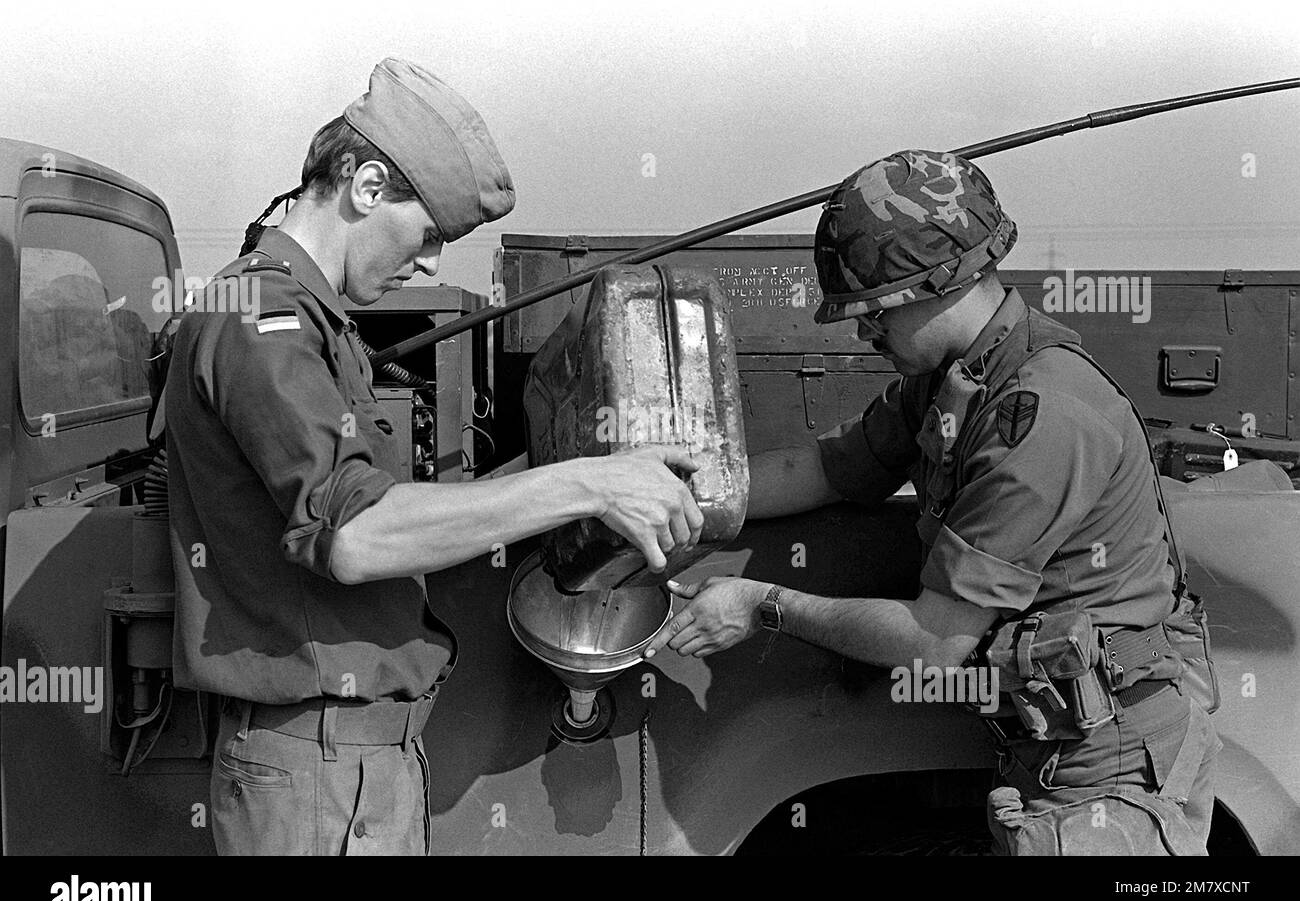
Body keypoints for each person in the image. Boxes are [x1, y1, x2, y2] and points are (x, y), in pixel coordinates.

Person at [164, 58, 703, 855]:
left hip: (355, 762)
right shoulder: (260, 317)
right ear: (367, 186)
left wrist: (594, 468)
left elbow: (388, 511)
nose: (427, 264)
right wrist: (586, 482)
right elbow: (357, 536)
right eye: (428, 236)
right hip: (320, 772)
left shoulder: (312, 318)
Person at [644, 149, 1220, 855]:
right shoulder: (958, 379)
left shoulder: (1042, 417)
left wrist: (762, 603)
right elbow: (825, 468)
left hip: (1113, 776)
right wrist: (683, 495)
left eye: (871, 313)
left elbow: (933, 640)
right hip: (1050, 749)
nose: (863, 332)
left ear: (934, 285)